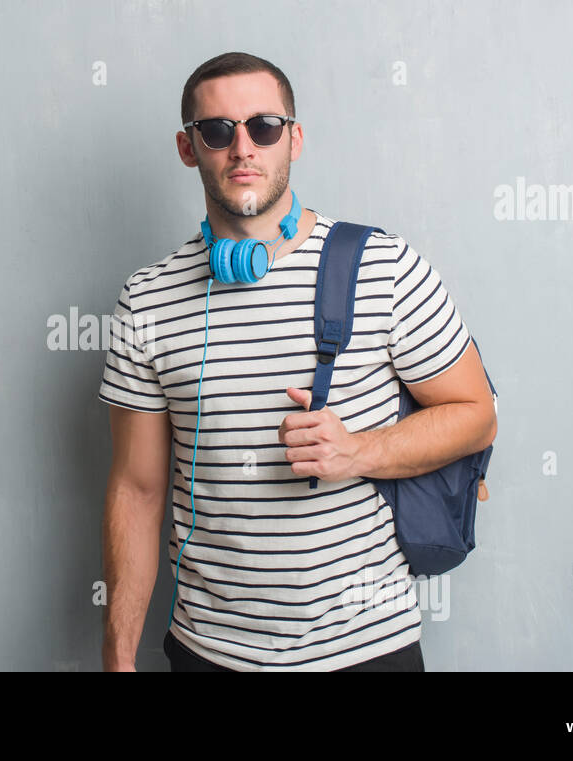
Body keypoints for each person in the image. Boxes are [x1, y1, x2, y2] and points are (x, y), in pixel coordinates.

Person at [97, 52, 497, 672]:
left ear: (294, 138)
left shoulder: (384, 267)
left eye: (264, 126)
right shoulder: (146, 298)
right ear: (188, 147)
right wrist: (119, 655)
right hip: (209, 653)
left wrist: (359, 450)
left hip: (369, 649)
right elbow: (138, 486)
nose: (242, 149)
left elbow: (477, 415)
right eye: (218, 131)